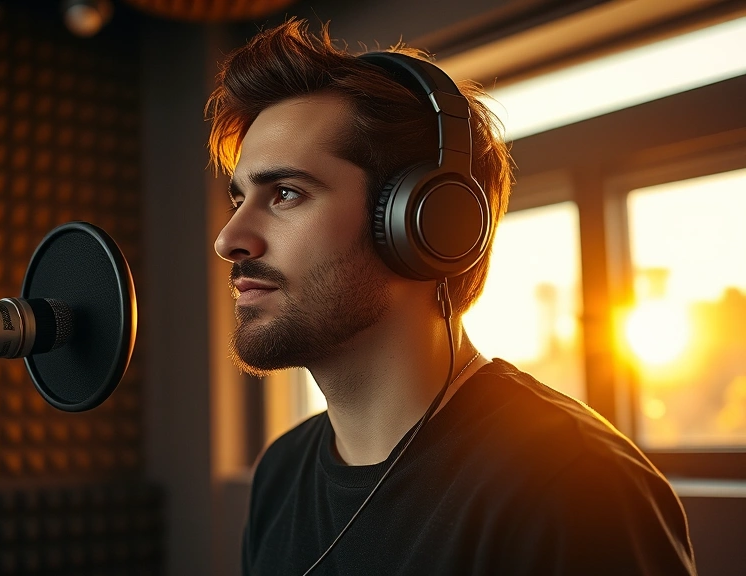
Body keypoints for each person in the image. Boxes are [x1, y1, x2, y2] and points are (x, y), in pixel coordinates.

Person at [206, 18, 697, 576]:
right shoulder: (281, 473)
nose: (229, 240)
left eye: (286, 193)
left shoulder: (577, 488)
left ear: (423, 222)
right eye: (239, 198)